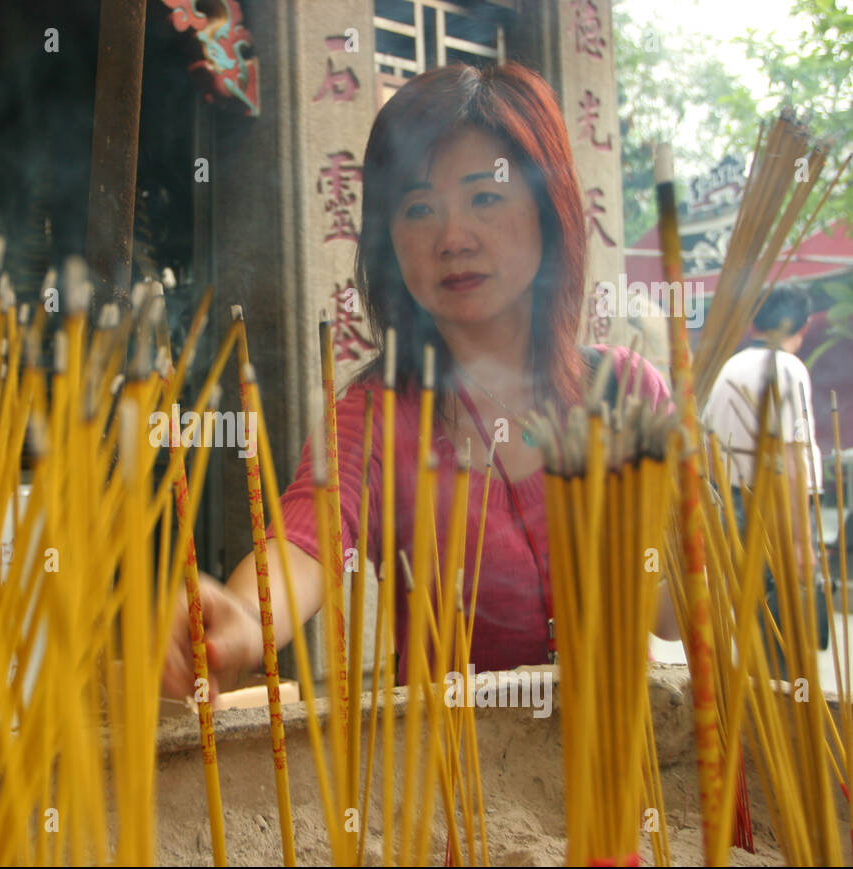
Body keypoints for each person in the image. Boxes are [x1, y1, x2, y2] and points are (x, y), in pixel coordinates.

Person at [162, 62, 675, 702]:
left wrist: (708, 577)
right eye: (419, 208)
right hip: (454, 764)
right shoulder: (376, 419)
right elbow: (303, 543)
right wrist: (241, 618)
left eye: (485, 197)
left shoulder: (623, 392)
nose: (452, 238)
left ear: (549, 210)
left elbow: (672, 605)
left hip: (626, 751)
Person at [701, 285, 827, 668]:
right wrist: (799, 541)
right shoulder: (787, 368)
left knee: (754, 620)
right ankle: (784, 697)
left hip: (733, 503)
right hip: (775, 508)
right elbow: (790, 457)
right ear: (802, 327)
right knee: (784, 625)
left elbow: (708, 447)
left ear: (754, 322)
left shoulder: (730, 367)